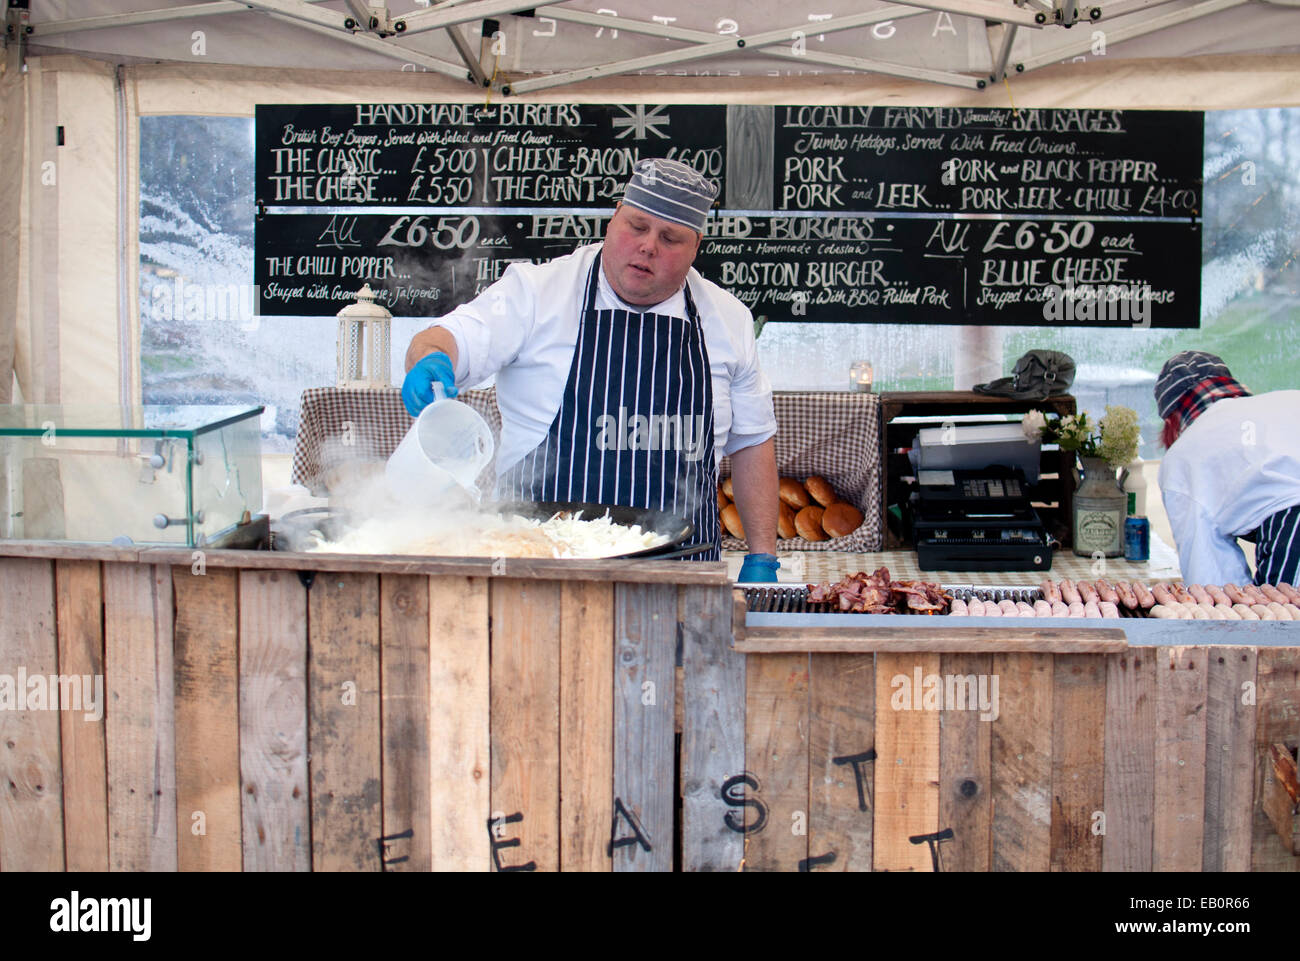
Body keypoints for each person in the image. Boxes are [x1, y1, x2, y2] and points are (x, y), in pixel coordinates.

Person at [400, 158, 780, 579]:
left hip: (680, 580)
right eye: (637, 226)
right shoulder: (536, 293)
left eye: (670, 237)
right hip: (541, 570)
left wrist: (762, 556)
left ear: (696, 247)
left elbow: (752, 442)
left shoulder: (728, 319)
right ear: (614, 218)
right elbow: (447, 338)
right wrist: (431, 357)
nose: (648, 246)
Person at [1155, 349, 1300, 587]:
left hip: (1295, 524)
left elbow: (1211, 576)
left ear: (1171, 420)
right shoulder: (1288, 400)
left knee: (1282, 622)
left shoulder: (1186, 453)